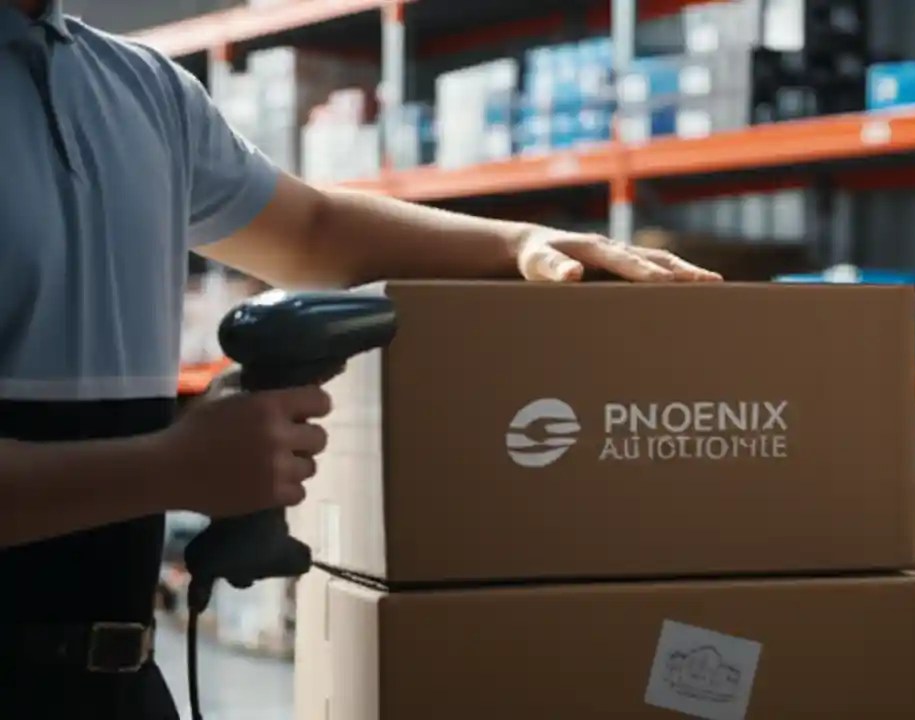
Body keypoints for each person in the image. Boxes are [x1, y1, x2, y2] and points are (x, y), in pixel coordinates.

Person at [0, 1, 722, 717]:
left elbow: (310, 228)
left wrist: (518, 246)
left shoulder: (143, 88)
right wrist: (170, 466)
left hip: (122, 677)